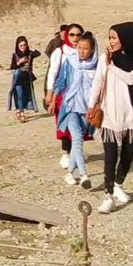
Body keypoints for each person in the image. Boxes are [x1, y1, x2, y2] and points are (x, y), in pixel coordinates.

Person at [90, 22, 133, 213]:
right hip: (109, 113)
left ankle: (118, 184)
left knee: (128, 153)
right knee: (110, 155)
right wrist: (91, 105)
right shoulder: (105, 58)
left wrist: (112, 66)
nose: (111, 42)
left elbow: (131, 79)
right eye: (109, 38)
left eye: (114, 38)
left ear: (126, 39)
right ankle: (108, 196)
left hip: (130, 114)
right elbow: (97, 82)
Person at [55, 31, 100, 188]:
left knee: (77, 143)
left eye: (85, 48)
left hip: (87, 109)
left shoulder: (97, 66)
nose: (81, 51)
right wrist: (54, 98)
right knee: (77, 139)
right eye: (79, 47)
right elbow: (61, 82)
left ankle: (69, 174)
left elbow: (99, 88)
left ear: (92, 50)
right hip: (70, 107)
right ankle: (84, 174)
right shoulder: (70, 63)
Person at [46, 24, 89, 170]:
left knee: (80, 125)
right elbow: (53, 72)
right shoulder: (60, 52)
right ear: (66, 35)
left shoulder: (85, 51)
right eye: (72, 35)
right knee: (64, 124)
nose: (75, 38)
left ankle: (77, 152)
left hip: (81, 94)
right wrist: (50, 93)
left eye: (78, 34)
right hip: (63, 94)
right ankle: (65, 153)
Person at [7, 36, 41, 122]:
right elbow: (12, 66)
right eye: (21, 45)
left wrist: (30, 50)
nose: (23, 47)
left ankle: (19, 109)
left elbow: (38, 53)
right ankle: (21, 113)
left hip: (27, 78)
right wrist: (19, 62)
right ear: (18, 46)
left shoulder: (29, 54)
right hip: (18, 77)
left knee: (26, 94)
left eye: (24, 45)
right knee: (20, 95)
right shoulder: (15, 55)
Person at [42, 25, 67, 98]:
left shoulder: (67, 42)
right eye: (63, 33)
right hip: (54, 64)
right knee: (50, 78)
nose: (63, 34)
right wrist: (54, 58)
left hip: (64, 65)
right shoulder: (53, 41)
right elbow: (47, 51)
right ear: (60, 32)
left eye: (65, 33)